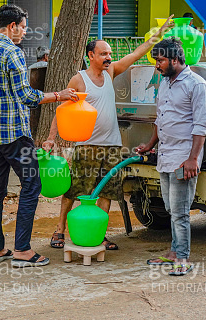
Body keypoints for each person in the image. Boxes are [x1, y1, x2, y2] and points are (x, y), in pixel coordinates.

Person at [43, 16, 175, 250]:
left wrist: (159, 34)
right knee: (75, 190)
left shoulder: (111, 72)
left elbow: (136, 53)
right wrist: (52, 138)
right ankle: (60, 230)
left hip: (112, 145)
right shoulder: (79, 79)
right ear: (90, 56)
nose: (109, 57)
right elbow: (61, 109)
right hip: (87, 145)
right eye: (103, 53)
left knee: (108, 192)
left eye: (110, 53)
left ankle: (98, 234)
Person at [0, 4, 78, 266]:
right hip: (15, 134)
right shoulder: (12, 52)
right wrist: (58, 95)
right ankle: (23, 251)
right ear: (12, 26)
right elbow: (26, 97)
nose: (25, 32)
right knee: (32, 185)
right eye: (23, 27)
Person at [136, 38, 206, 276]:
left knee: (179, 211)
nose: (157, 65)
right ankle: (173, 251)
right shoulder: (166, 83)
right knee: (170, 207)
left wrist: (192, 159)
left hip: (183, 157)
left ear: (176, 59)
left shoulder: (197, 86)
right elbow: (161, 118)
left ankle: (182, 257)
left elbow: (201, 126)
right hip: (166, 155)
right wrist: (150, 145)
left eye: (160, 60)